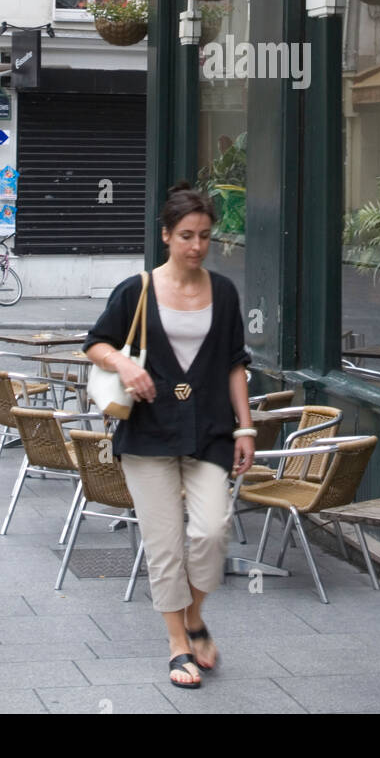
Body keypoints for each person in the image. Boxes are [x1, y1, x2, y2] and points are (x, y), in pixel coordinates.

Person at [83, 182, 255, 690]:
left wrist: (245, 426)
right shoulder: (136, 289)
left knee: (210, 530)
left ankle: (195, 614)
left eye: (205, 236)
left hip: (210, 431)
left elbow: (233, 362)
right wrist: (122, 364)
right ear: (166, 235)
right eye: (186, 235)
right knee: (164, 545)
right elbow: (95, 342)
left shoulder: (222, 292)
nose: (197, 246)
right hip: (148, 432)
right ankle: (178, 643)